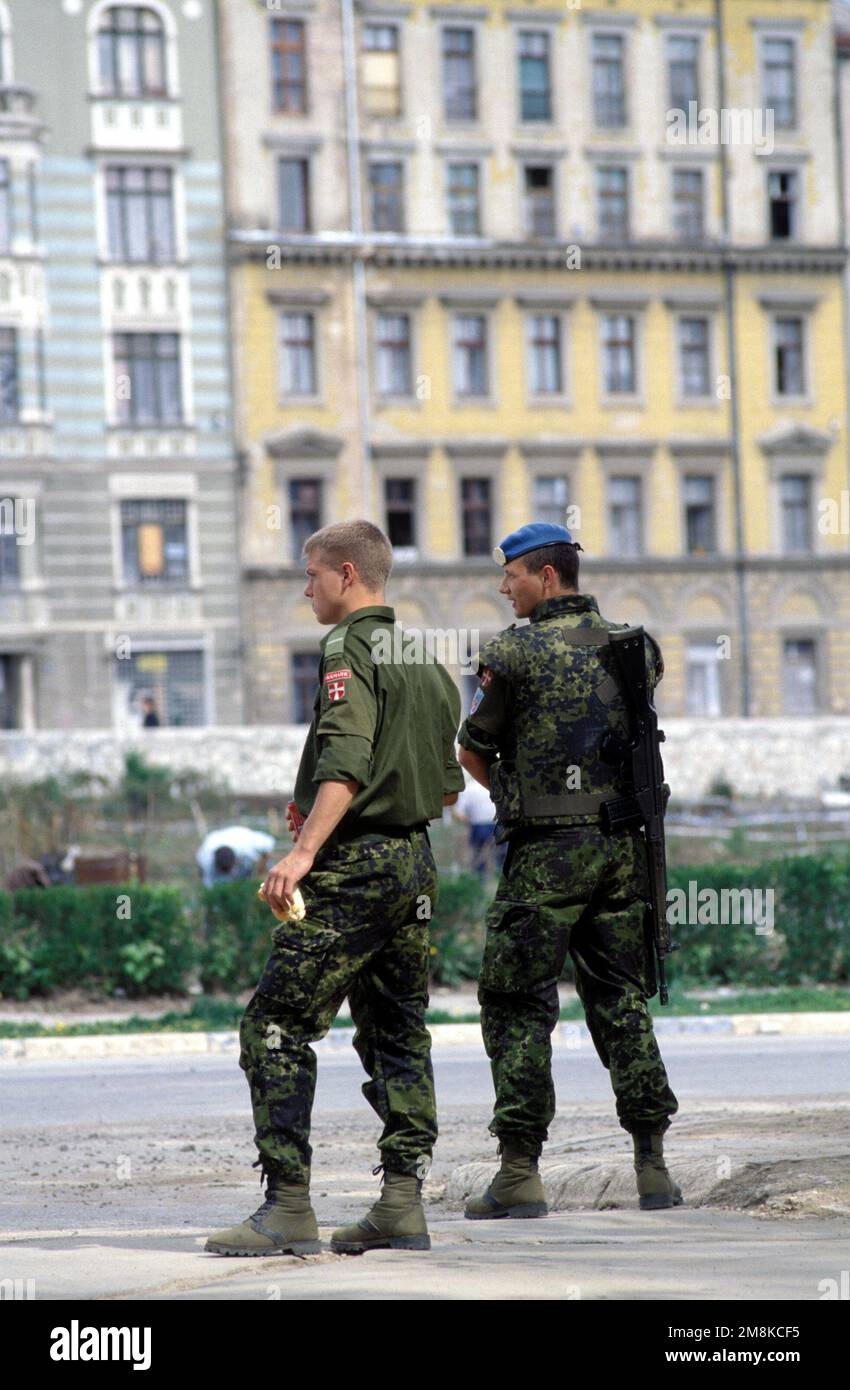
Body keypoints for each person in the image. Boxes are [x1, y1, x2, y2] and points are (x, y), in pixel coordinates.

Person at [206, 520, 464, 1258]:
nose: (305, 587)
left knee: (275, 1023)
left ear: (346, 574)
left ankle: (288, 1205)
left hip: (353, 868)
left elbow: (345, 762)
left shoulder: (346, 648)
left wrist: (304, 851)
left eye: (311, 575)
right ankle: (401, 1204)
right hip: (413, 861)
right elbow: (444, 786)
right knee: (396, 1031)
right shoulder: (421, 654)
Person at [456, 522, 681, 1220]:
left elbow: (472, 749)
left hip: (545, 857)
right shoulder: (634, 647)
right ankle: (652, 1167)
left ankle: (520, 1174)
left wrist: (521, 795)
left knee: (518, 1002)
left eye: (513, 576)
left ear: (547, 576)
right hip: (619, 851)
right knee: (620, 997)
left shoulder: (512, 653)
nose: (503, 588)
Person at [452, 775, 505, 879]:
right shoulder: (495, 786)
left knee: (478, 855)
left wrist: (468, 822)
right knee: (501, 855)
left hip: (478, 825)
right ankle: (501, 879)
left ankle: (479, 882)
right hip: (497, 824)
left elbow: (458, 812)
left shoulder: (468, 789)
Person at [195, 826, 276, 889]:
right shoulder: (205, 858)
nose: (228, 873)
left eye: (228, 869)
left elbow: (269, 844)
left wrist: (261, 870)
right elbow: (207, 882)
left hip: (243, 854)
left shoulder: (247, 843)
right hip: (215, 844)